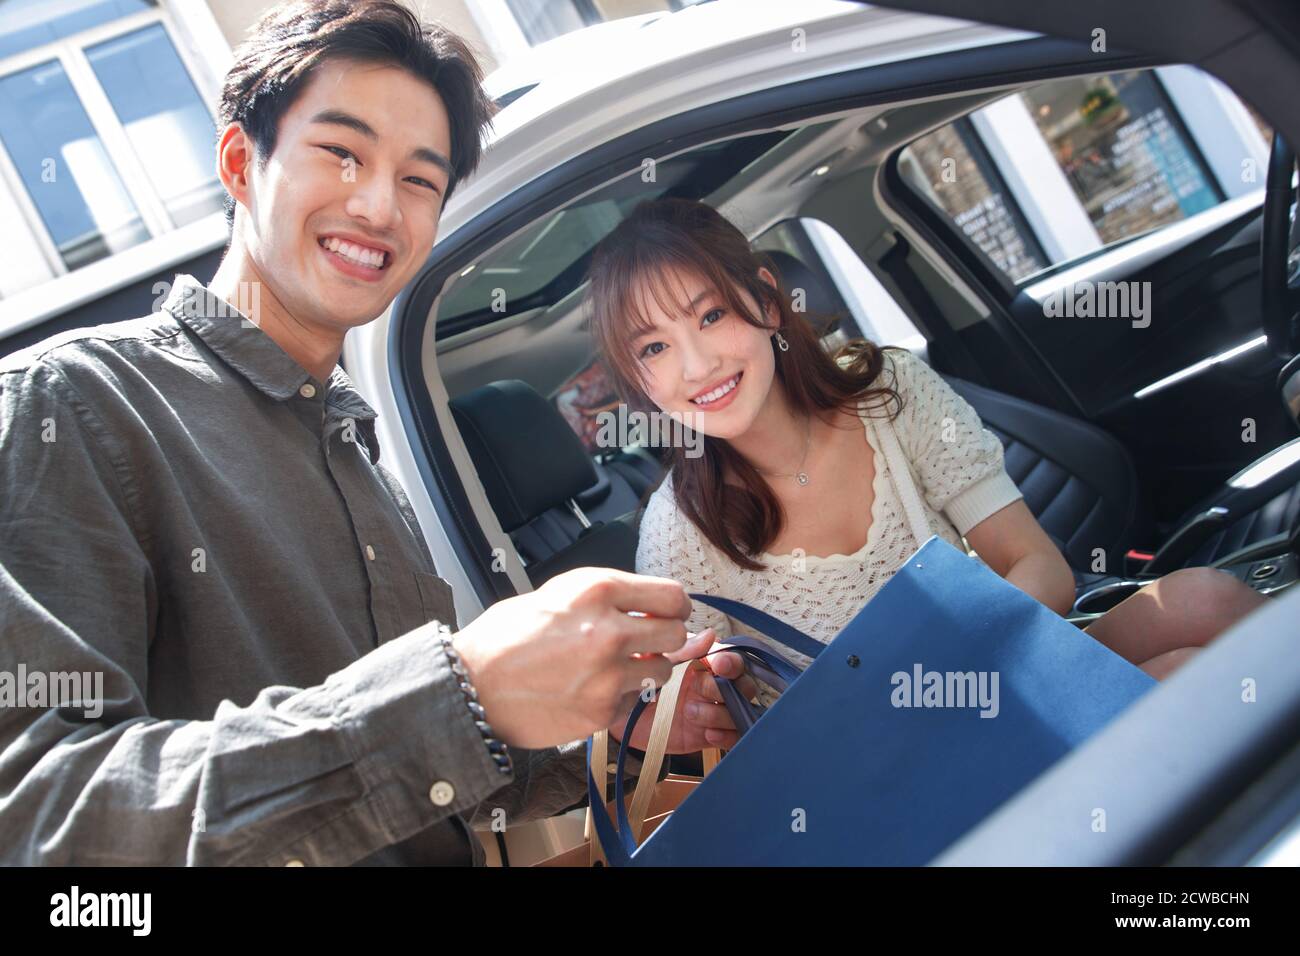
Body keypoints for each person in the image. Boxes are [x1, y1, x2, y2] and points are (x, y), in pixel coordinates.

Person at [0, 1, 740, 867]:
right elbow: (37, 818)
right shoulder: (68, 403)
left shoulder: (355, 445)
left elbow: (424, 772)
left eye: (421, 179)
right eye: (341, 152)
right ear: (242, 161)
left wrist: (615, 727)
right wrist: (456, 694)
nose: (380, 206)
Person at [586, 197, 1266, 682]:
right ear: (637, 381)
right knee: (1179, 675)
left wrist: (952, 675)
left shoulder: (888, 392)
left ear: (767, 301)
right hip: (891, 774)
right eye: (654, 347)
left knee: (1209, 597)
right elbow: (713, 723)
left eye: (710, 315)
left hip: (1004, 667)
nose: (697, 365)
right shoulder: (678, 538)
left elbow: (1040, 568)